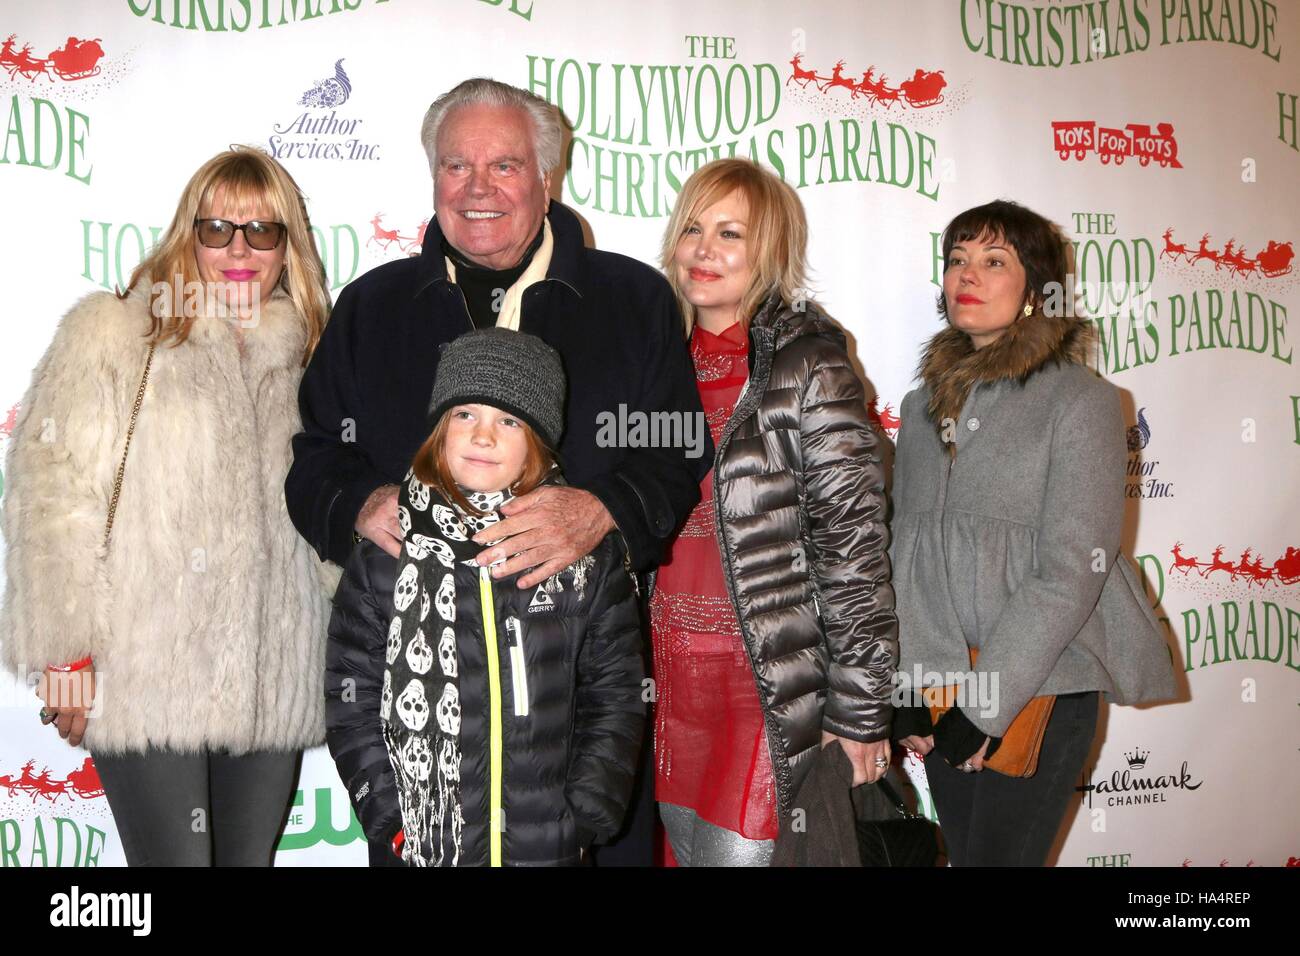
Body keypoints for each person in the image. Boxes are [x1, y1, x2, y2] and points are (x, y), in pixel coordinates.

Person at [286, 77, 707, 864]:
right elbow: (314, 455)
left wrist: (604, 509)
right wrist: (358, 503)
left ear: (548, 178)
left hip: (573, 719)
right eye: (456, 166)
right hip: (424, 749)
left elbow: (677, 447)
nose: (478, 188)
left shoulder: (631, 299)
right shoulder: (372, 307)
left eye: (505, 166)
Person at [0, 146, 334, 866]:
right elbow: (52, 498)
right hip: (144, 675)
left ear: (288, 247)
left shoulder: (311, 359)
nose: (238, 249)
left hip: (270, 678)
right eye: (217, 229)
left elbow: (326, 527)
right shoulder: (117, 334)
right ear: (189, 235)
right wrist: (64, 655)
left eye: (262, 231)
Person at [889, 199, 1177, 866]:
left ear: (1036, 289)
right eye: (958, 259)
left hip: (1039, 687)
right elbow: (906, 553)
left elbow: (1073, 567)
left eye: (994, 261)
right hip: (939, 690)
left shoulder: (1082, 400)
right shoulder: (919, 406)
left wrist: (983, 708)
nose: (969, 274)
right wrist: (905, 687)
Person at [650, 158, 897, 866]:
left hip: (765, 692)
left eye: (731, 232)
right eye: (693, 228)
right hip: (666, 687)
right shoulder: (652, 363)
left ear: (771, 253)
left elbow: (854, 551)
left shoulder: (810, 367)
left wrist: (857, 712)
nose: (704, 249)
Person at [325, 329, 645, 866]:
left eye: (509, 421)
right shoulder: (385, 557)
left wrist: (585, 816)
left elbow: (615, 693)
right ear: (439, 432)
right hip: (423, 848)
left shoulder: (583, 560)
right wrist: (391, 820)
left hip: (547, 847)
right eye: (465, 415)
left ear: (536, 449)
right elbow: (350, 697)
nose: (483, 436)